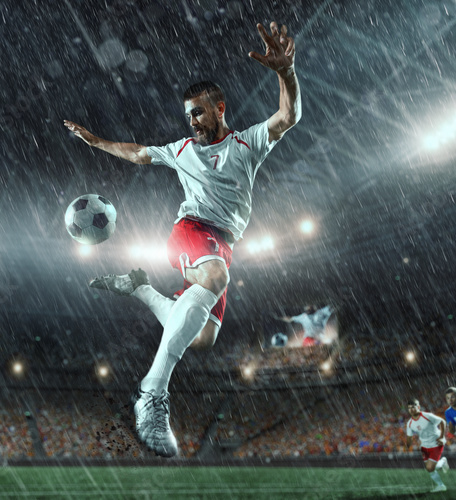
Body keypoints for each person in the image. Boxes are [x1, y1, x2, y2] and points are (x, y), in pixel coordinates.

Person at [67, 21, 300, 457]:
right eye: (188, 114)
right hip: (191, 231)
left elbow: (288, 117)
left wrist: (286, 72)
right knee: (215, 279)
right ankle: (152, 394)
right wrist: (95, 141)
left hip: (223, 243)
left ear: (219, 108)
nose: (192, 120)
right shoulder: (180, 150)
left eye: (199, 111)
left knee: (201, 339)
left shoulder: (247, 143)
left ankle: (142, 290)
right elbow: (138, 154)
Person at [404, 399, 450, 493]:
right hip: (424, 446)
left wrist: (441, 437)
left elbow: (442, 422)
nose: (411, 409)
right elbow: (409, 437)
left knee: (430, 467)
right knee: (430, 470)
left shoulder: (427, 416)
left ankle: (442, 465)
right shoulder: (409, 423)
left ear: (418, 407)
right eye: (409, 408)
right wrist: (407, 446)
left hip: (436, 443)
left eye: (413, 407)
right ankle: (441, 485)